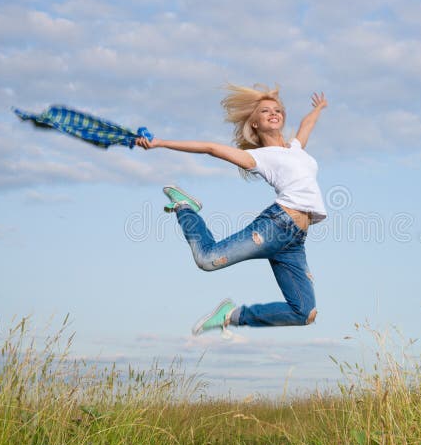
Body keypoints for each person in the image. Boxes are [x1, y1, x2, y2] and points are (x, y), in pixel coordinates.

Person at [135, 84, 328, 335]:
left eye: (278, 110)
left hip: (295, 241)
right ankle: (186, 208)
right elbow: (210, 148)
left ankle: (232, 315)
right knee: (207, 259)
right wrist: (159, 142)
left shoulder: (295, 149)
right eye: (265, 111)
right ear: (255, 123)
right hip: (275, 226)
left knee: (304, 312)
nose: (274, 113)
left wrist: (319, 108)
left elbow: (307, 125)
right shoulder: (260, 157)